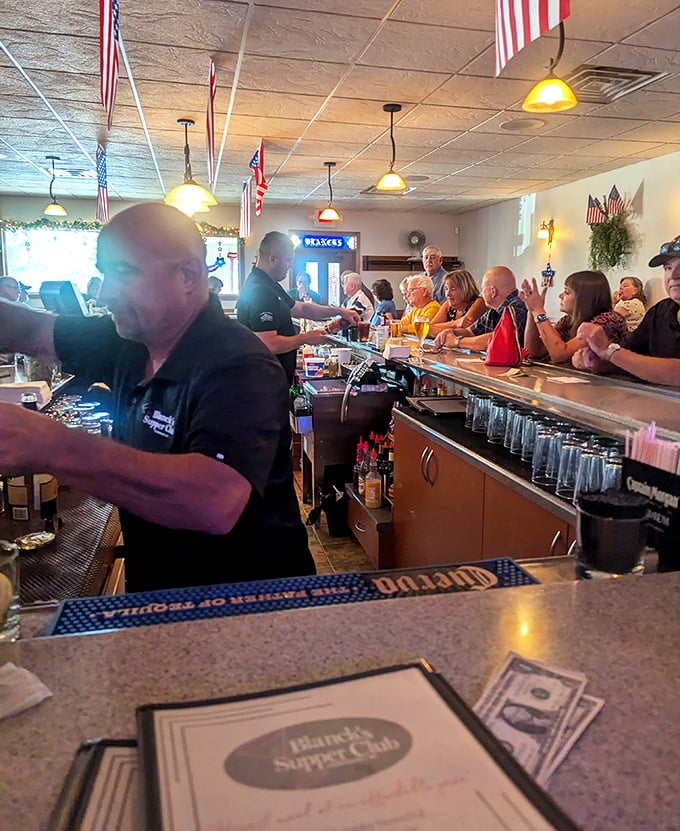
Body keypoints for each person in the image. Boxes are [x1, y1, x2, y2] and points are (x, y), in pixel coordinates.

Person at [0, 203, 316, 593]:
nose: (107, 292)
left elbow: (212, 501)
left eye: (123, 273)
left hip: (250, 605)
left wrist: (51, 444)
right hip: (160, 595)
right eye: (104, 274)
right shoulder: (127, 339)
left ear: (187, 275)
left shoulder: (241, 364)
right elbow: (31, 330)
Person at [237, 232, 359, 384]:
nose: (291, 265)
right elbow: (269, 343)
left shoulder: (270, 285)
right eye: (288, 260)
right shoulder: (260, 290)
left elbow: (302, 309)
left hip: (271, 380)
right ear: (272, 259)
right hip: (261, 383)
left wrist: (339, 311)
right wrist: (305, 338)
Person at [573, 235, 680, 386]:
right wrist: (597, 361)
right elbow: (629, 358)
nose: (673, 275)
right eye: (668, 268)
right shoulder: (661, 311)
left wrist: (609, 351)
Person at [520, 271, 626, 363]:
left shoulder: (607, 321)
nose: (560, 296)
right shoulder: (567, 321)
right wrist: (532, 310)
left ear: (584, 298)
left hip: (609, 384)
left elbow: (560, 355)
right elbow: (533, 352)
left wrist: (539, 311)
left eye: (567, 292)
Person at [434, 266, 527, 351]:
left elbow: (498, 340)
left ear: (493, 291)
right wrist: (451, 332)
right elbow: (469, 331)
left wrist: (457, 341)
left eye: (483, 289)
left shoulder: (517, 307)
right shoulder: (494, 310)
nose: (481, 294)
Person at [428, 270, 486, 337]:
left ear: (465, 288)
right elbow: (429, 327)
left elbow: (463, 332)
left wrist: (439, 328)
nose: (448, 294)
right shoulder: (448, 304)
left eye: (453, 289)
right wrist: (455, 323)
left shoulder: (479, 302)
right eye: (446, 289)